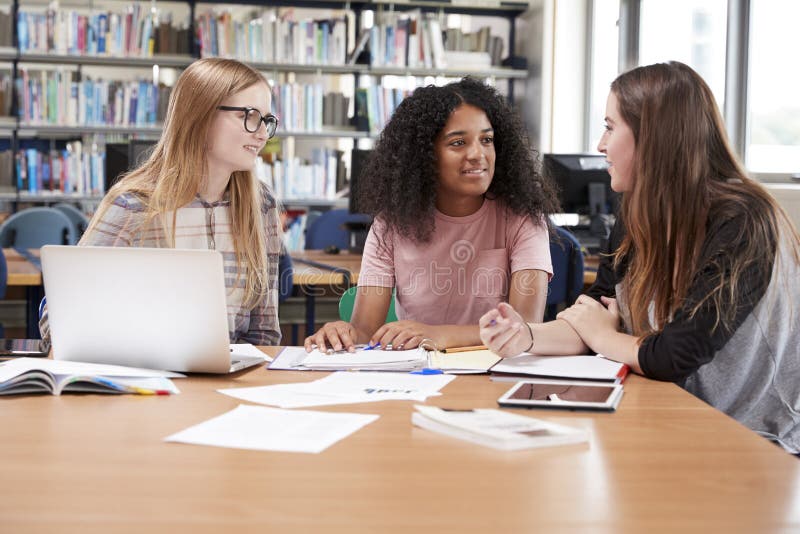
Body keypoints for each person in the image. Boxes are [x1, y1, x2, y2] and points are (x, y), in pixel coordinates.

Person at [479, 61, 800, 453]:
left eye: (611, 127)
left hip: (754, 440)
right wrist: (527, 336)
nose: (600, 144)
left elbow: (674, 354)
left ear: (654, 138)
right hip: (671, 420)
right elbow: (591, 312)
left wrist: (603, 335)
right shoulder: (636, 213)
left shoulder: (744, 222)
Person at [39, 57, 283, 349]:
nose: (261, 134)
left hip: (228, 385)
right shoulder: (134, 205)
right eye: (250, 115)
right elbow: (59, 323)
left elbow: (264, 335)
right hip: (145, 378)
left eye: (266, 121)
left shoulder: (262, 206)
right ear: (200, 116)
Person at [305, 77, 560, 353]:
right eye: (458, 142)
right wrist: (341, 333)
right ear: (424, 156)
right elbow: (365, 332)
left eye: (487, 140)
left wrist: (439, 335)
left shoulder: (522, 218)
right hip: (417, 377)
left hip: (496, 372)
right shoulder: (391, 224)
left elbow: (524, 328)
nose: (478, 154)